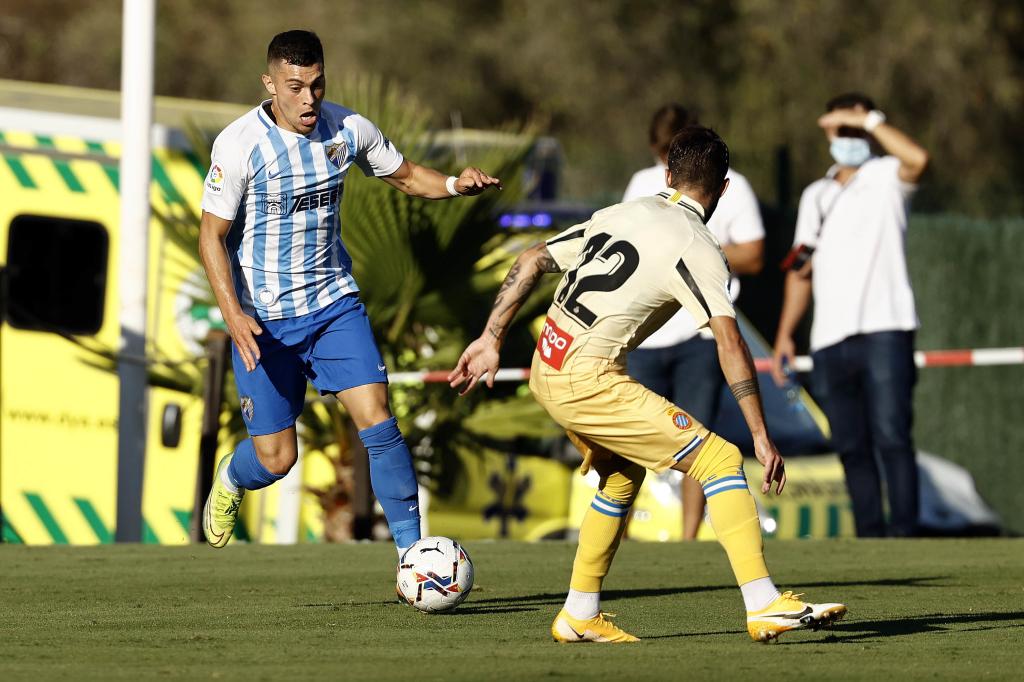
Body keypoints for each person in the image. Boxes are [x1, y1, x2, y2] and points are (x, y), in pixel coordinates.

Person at [449, 127, 845, 643]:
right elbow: (730, 343)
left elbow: (531, 260)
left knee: (620, 477)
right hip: (588, 379)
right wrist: (762, 436)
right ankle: (764, 603)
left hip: (549, 367)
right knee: (721, 460)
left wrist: (490, 337)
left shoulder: (623, 212)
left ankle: (578, 614)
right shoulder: (698, 244)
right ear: (723, 190)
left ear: (667, 175)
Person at [198, 30, 500, 555]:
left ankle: (414, 556)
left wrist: (454, 184)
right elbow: (211, 236)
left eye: (316, 85)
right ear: (270, 84)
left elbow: (406, 177)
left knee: (379, 420)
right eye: (295, 87)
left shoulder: (349, 128)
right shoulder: (239, 144)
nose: (308, 98)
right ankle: (230, 477)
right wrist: (232, 314)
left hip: (333, 304)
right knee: (276, 459)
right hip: (263, 320)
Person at [771, 93, 929, 538]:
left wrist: (871, 119)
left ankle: (905, 536)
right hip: (829, 338)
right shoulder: (816, 195)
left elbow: (918, 157)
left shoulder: (887, 176)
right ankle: (870, 538)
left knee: (893, 437)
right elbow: (801, 271)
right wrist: (786, 334)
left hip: (886, 328)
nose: (849, 137)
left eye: (857, 129)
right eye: (842, 129)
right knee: (851, 446)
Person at [623, 103, 765, 540]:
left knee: (699, 440)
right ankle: (618, 534)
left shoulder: (732, 185)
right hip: (646, 338)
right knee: (630, 442)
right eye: (663, 154)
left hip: (698, 336)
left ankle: (688, 540)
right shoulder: (640, 185)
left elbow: (755, 254)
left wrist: (699, 250)